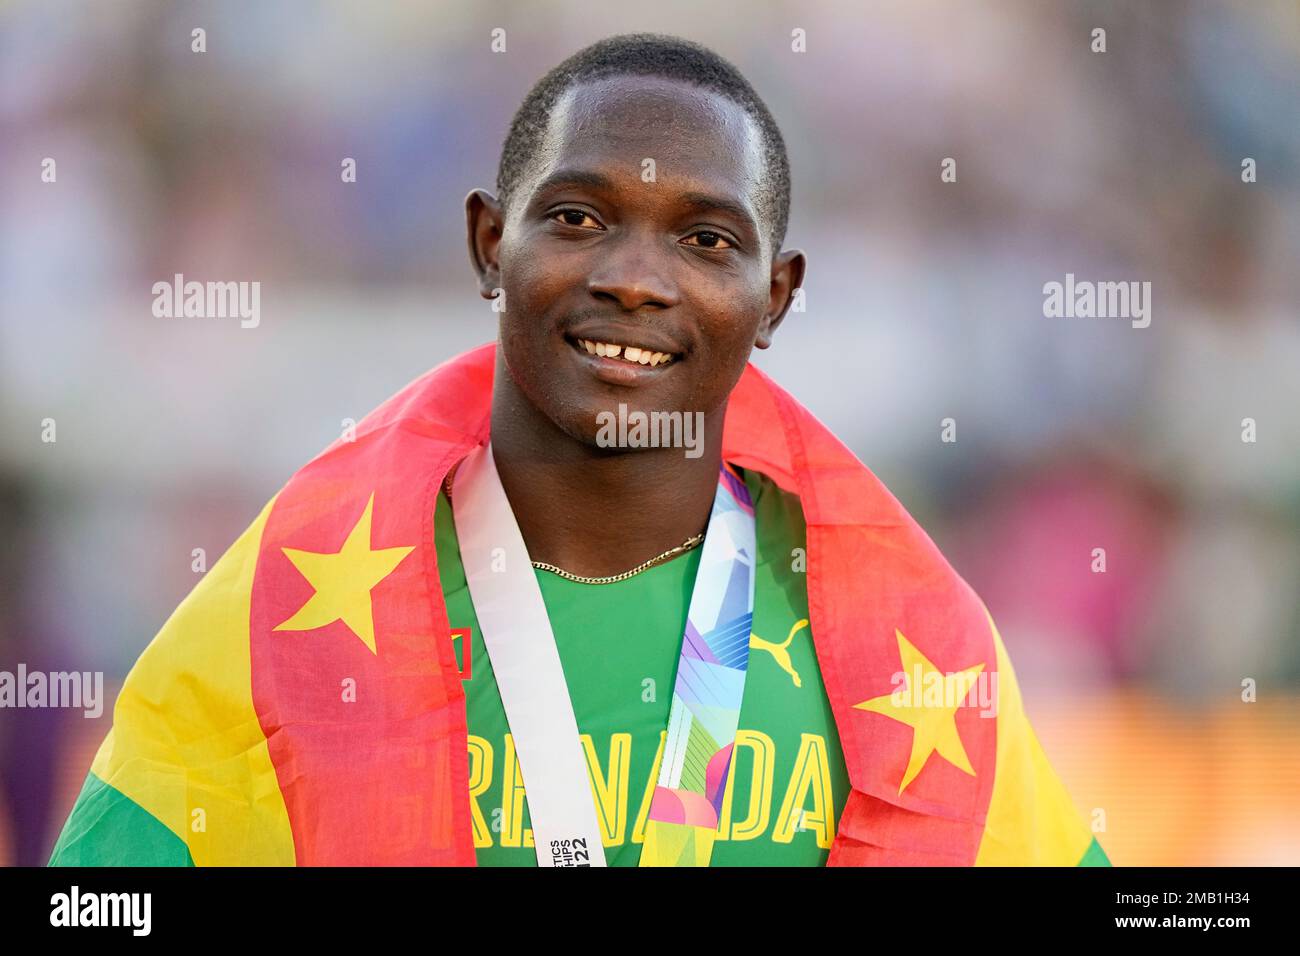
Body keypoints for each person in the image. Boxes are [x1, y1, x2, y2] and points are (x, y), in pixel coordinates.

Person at [49, 33, 1108, 867]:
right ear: (487, 242)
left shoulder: (903, 640)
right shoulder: (288, 612)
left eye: (706, 239)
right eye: (576, 215)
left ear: (774, 296)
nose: (635, 278)